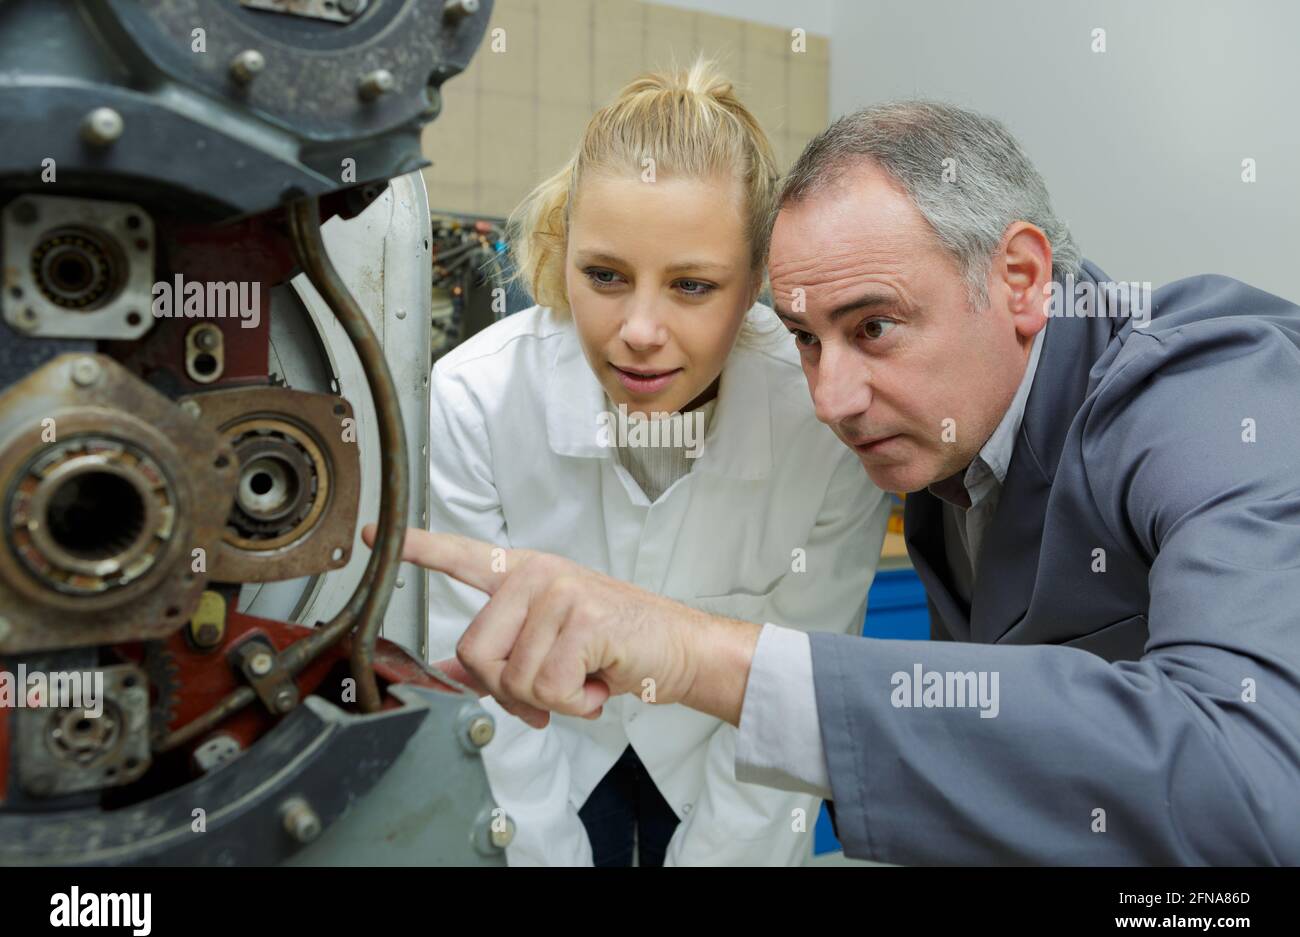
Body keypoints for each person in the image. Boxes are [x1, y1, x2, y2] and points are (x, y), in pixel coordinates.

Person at [366, 99, 1300, 865]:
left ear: (1020, 278)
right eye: (805, 337)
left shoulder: (1214, 389)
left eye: (876, 326)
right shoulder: (952, 463)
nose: (829, 398)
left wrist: (696, 655)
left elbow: (1257, 785)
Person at [418, 60, 890, 866]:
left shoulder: (824, 419)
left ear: (754, 288)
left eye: (693, 287)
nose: (639, 329)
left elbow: (790, 697)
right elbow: (486, 694)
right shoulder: (476, 398)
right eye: (605, 275)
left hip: (733, 779)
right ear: (563, 255)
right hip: (546, 766)